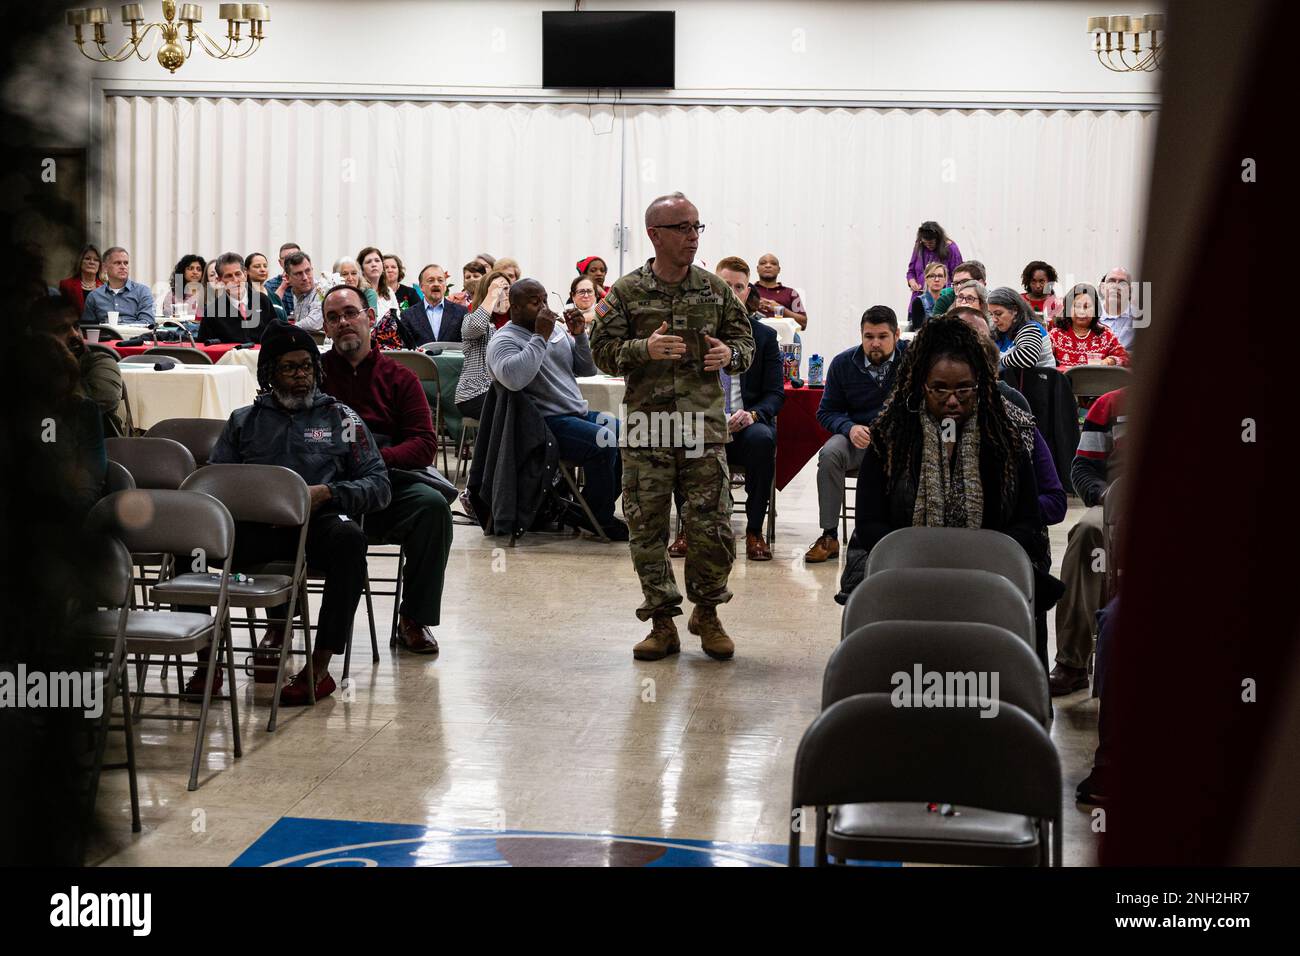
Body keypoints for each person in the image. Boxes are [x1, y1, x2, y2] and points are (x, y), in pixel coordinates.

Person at [590, 191, 755, 662]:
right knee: (646, 528)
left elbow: (746, 341)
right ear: (654, 235)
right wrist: (644, 350)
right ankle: (662, 623)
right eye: (683, 227)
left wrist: (731, 355)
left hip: (702, 428)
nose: (692, 236)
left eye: (697, 227)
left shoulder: (715, 289)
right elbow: (600, 351)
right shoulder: (625, 292)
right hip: (648, 429)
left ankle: (708, 610)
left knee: (713, 527)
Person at [198, 321, 392, 705]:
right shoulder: (244, 422)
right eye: (290, 368)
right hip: (256, 530)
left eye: (307, 366)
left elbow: (379, 484)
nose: (302, 375)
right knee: (187, 545)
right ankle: (208, 663)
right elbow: (213, 483)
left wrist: (328, 493)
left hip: (316, 525)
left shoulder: (342, 420)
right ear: (270, 374)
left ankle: (318, 668)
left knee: (351, 541)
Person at [850, 316, 1049, 601]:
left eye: (964, 389)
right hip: (905, 578)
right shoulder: (890, 437)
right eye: (940, 388)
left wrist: (977, 555)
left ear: (980, 385)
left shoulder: (1003, 439)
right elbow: (869, 523)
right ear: (921, 386)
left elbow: (1028, 522)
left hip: (988, 580)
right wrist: (922, 554)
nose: (953, 400)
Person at [319, 284, 454, 655]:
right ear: (326, 328)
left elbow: (424, 445)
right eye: (333, 317)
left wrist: (375, 462)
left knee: (432, 507)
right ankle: (279, 628)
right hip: (326, 489)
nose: (343, 322)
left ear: (370, 318)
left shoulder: (400, 378)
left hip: (384, 486)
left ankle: (413, 618)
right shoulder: (312, 375)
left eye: (350, 313)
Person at [487, 278, 627, 540]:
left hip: (576, 413)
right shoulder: (503, 340)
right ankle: (600, 517)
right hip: (543, 424)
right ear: (514, 307)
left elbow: (585, 369)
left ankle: (587, 509)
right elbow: (514, 379)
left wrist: (579, 337)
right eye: (534, 302)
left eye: (544, 300)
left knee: (625, 435)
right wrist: (539, 336)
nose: (543, 307)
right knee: (605, 441)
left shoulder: (557, 331)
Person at [668, 256, 784, 561]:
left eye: (739, 286)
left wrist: (754, 414)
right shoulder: (691, 332)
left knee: (763, 440)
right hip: (705, 422)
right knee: (683, 437)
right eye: (726, 285)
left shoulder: (765, 337)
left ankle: (754, 531)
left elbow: (775, 395)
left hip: (746, 424)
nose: (732, 292)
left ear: (748, 292)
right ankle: (688, 529)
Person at [804, 305, 908, 563]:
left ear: (897, 335)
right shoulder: (843, 363)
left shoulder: (912, 361)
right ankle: (829, 535)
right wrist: (848, 428)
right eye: (868, 336)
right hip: (858, 439)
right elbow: (826, 412)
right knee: (829, 454)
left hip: (900, 442)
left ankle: (903, 533)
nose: (875, 343)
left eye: (882, 337)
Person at [1051, 386, 1126, 696]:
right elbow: (1082, 469)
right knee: (1086, 533)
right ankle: (1072, 662)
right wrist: (1105, 494)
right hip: (1118, 503)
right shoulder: (1110, 405)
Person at [40, 298, 126, 438]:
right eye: (62, 329)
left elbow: (98, 401)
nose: (74, 334)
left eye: (76, 326)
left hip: (100, 450)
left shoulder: (99, 361)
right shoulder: (28, 366)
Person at [455, 268, 511, 422]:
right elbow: (476, 327)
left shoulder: (515, 324)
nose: (502, 294)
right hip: (475, 393)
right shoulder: (471, 318)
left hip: (506, 392)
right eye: (497, 289)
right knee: (513, 412)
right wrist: (492, 294)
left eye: (506, 289)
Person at [1049, 283, 1131, 369]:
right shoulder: (1056, 335)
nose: (1081, 312)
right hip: (1065, 381)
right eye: (1076, 306)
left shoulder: (1106, 335)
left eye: (1086, 306)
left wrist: (1111, 361)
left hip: (1096, 382)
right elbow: (1044, 359)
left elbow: (1125, 358)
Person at [197, 253, 274, 344]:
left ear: (245, 275)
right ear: (220, 280)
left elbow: (276, 335)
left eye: (238, 274)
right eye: (228, 276)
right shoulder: (212, 311)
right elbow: (204, 347)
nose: (235, 280)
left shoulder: (263, 301)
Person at [80, 246, 155, 326]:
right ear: (105, 267)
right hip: (106, 337)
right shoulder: (94, 296)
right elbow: (88, 328)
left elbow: (147, 323)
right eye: (117, 263)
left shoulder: (142, 291)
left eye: (126, 263)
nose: (123, 267)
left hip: (135, 337)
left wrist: (121, 328)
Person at [987, 286, 1055, 369]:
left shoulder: (1030, 328)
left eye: (998, 313)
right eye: (991, 314)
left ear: (1015, 310)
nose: (994, 319)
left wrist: (994, 365)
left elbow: (1027, 357)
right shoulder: (999, 332)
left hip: (1039, 380)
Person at [400, 262, 467, 345]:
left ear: (445, 286)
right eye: (430, 280)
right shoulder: (408, 315)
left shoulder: (461, 312)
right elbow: (407, 349)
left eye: (440, 280)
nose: (436, 284)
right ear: (421, 287)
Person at [906, 221, 963, 313]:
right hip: (919, 299)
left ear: (939, 239)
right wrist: (911, 281)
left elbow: (958, 276)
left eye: (931, 243)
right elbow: (911, 271)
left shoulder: (951, 248)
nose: (928, 245)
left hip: (942, 301)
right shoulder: (919, 247)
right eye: (925, 243)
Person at [752, 253, 809, 330]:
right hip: (754, 337)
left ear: (779, 270)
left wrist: (779, 309)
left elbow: (803, 324)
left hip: (784, 337)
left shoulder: (791, 293)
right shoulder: (748, 291)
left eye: (773, 263)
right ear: (757, 269)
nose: (768, 265)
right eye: (763, 263)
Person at [1099, 266, 1137, 351]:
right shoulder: (1089, 316)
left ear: (1130, 291)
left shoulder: (1138, 318)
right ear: (1102, 288)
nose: (1116, 286)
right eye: (1111, 281)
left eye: (1122, 283)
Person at [284, 251, 325, 331]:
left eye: (308, 271)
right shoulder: (296, 291)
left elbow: (314, 323)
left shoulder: (322, 291)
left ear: (312, 269)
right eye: (298, 274)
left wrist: (287, 330)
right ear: (288, 278)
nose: (305, 278)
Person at [58, 244, 104, 314]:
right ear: (80, 262)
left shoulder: (105, 287)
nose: (91, 262)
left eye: (96, 260)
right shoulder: (67, 285)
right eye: (87, 258)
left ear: (99, 264)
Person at [359, 246, 400, 319]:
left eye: (377, 260)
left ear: (382, 267)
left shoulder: (389, 291)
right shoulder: (359, 293)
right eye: (368, 262)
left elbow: (397, 318)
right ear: (361, 269)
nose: (374, 264)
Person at [159, 254, 206, 319]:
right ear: (183, 272)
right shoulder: (172, 295)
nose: (195, 272)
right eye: (190, 268)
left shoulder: (207, 294)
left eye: (199, 269)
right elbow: (167, 319)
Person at [245, 251, 288, 322]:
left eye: (265, 266)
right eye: (257, 266)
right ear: (247, 271)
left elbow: (285, 323)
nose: (262, 269)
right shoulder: (243, 296)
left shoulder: (275, 297)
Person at [264, 241, 301, 306]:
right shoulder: (270, 286)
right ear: (280, 262)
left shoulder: (309, 283)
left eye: (296, 257)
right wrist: (283, 287)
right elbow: (267, 310)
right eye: (287, 258)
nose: (292, 261)